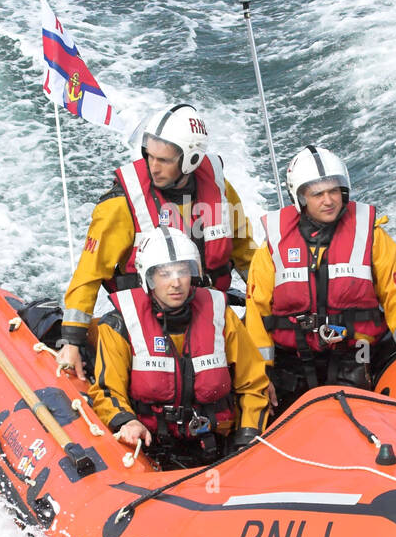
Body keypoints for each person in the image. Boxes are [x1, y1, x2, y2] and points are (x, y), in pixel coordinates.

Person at [55, 104, 257, 381]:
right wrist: (72, 340)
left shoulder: (219, 191)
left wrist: (274, 299)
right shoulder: (121, 204)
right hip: (145, 327)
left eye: (164, 160)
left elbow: (246, 253)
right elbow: (89, 273)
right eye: (149, 156)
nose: (154, 167)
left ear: (191, 159)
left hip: (210, 316)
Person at [245, 145, 396, 410]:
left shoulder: (371, 236)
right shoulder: (274, 246)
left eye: (334, 190)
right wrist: (259, 375)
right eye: (317, 194)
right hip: (293, 362)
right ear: (300, 198)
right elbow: (257, 313)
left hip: (357, 355)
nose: (329, 200)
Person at [87, 227, 269, 467]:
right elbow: (107, 390)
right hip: (153, 449)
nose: (176, 283)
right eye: (164, 274)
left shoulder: (220, 316)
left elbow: (253, 384)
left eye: (182, 271)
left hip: (219, 447)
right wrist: (126, 422)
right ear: (147, 277)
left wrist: (247, 437)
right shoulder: (121, 324)